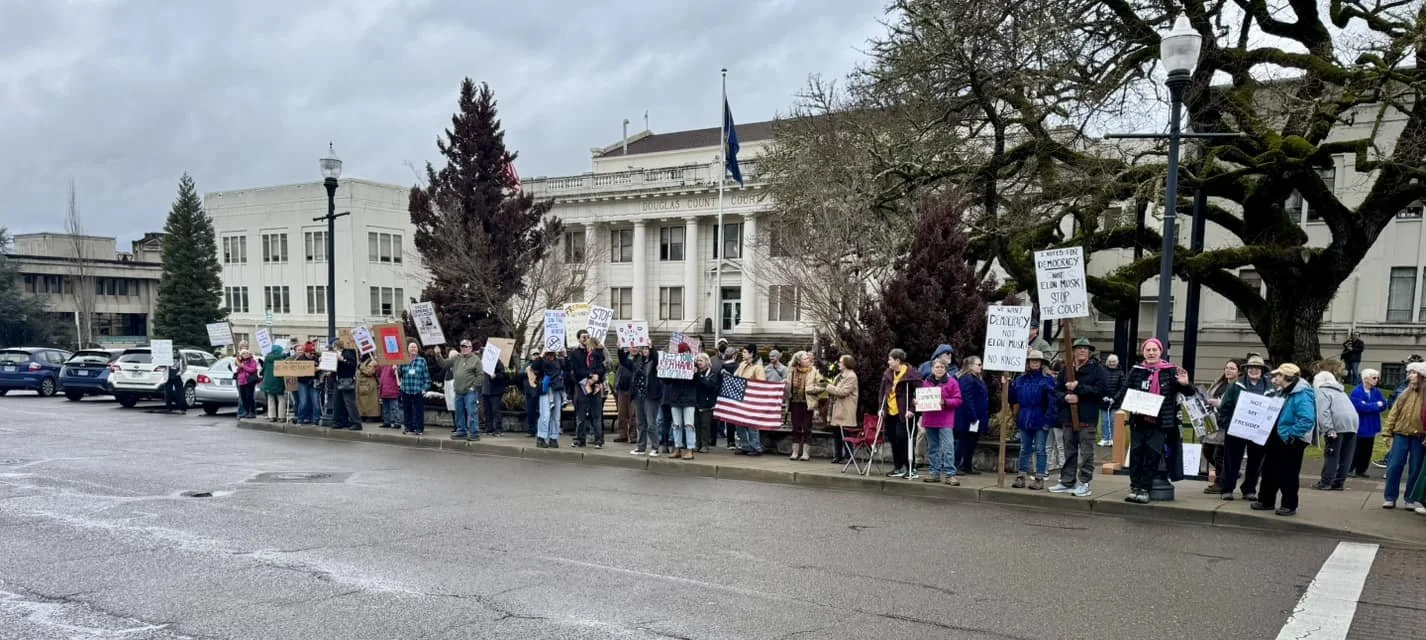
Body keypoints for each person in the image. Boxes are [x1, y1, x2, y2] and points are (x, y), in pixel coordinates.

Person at [1116, 338, 1193, 505]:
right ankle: (1134, 487)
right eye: (1148, 350)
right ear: (1143, 352)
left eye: (1154, 350)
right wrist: (1117, 404)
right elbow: (1125, 390)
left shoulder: (1170, 371)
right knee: (1136, 455)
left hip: (1159, 423)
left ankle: (1144, 489)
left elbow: (1188, 393)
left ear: (1160, 351)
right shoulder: (1136, 370)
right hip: (1139, 420)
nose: (1151, 353)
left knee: (1152, 456)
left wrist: (1185, 384)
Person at [1252, 364, 1316, 516]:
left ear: (1287, 377)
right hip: (1278, 436)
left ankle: (1289, 504)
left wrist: (1291, 435)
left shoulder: (1302, 394)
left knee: (1288, 472)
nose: (1275, 379)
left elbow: (1307, 419)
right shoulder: (1284, 392)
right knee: (1269, 469)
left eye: (1279, 376)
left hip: (1290, 438)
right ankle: (1266, 500)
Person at [1051, 337, 1107, 497]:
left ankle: (1084, 482)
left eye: (1085, 348)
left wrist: (1079, 390)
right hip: (1068, 417)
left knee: (1086, 452)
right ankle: (1067, 481)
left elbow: (1101, 390)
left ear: (1089, 352)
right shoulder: (1067, 370)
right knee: (1069, 450)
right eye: (1079, 348)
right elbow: (1057, 391)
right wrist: (1065, 398)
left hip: (1087, 417)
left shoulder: (1097, 369)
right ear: (1073, 351)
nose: (1082, 350)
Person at [1215, 355, 1271, 501]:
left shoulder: (1270, 388)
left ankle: (1249, 489)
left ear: (1262, 370)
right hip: (1236, 428)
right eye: (1251, 368)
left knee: (1256, 461)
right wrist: (1226, 424)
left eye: (1257, 368)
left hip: (1259, 431)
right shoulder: (1236, 385)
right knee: (1232, 460)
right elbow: (1226, 405)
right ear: (1246, 370)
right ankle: (1227, 489)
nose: (1254, 370)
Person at [1380, 362, 1426, 509]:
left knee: (1415, 468)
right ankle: (1390, 497)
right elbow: (1394, 413)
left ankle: (1410, 498)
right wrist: (1387, 432)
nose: (1410, 375)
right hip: (1401, 434)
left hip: (1419, 436)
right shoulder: (1405, 393)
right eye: (1409, 372)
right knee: (1394, 466)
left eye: (1413, 372)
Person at [1010, 350, 1056, 490]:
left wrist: (1048, 420)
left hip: (1040, 417)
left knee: (1041, 449)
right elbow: (1012, 399)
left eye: (1037, 361)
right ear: (1028, 363)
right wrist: (1008, 385)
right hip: (1024, 416)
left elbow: (1053, 402)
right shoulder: (1020, 380)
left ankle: (1040, 477)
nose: (1035, 363)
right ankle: (1021, 476)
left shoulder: (1047, 380)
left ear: (1041, 363)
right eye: (1032, 361)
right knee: (1024, 448)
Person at [879, 349, 923, 479]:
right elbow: (882, 392)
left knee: (903, 439)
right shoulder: (888, 373)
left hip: (904, 413)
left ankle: (911, 467)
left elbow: (919, 393)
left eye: (890, 359)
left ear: (897, 361)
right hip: (890, 411)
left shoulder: (911, 374)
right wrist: (881, 407)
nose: (888, 362)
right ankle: (898, 467)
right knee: (893, 439)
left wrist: (912, 410)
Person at [1312, 370, 1359, 491]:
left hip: (1337, 424)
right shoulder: (1341, 391)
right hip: (1352, 424)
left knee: (1332, 454)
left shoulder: (1322, 391)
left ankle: (1326, 481)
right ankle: (1339, 482)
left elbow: (1323, 412)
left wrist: (1328, 429)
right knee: (1346, 455)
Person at [918, 360, 964, 484]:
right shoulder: (926, 382)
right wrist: (916, 402)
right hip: (930, 419)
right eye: (937, 367)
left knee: (948, 447)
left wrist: (945, 402)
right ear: (932, 369)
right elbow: (921, 398)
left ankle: (950, 474)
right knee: (933, 448)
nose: (939, 369)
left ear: (946, 369)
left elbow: (958, 400)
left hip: (945, 419)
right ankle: (935, 473)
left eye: (942, 367)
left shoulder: (952, 382)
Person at [1202, 359, 1242, 494]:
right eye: (1226, 368)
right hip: (1214, 421)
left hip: (1227, 424)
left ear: (1239, 371)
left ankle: (1221, 481)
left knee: (1220, 454)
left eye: (1232, 368)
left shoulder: (1239, 386)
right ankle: (1229, 473)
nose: (1228, 371)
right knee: (1207, 451)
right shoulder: (1220, 384)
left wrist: (1220, 404)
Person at [568, 332, 608, 448]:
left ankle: (598, 440)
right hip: (582, 386)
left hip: (595, 386)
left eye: (587, 337)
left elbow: (602, 368)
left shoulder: (596, 353)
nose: (586, 339)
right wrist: (590, 375)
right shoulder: (575, 353)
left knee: (596, 414)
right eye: (583, 337)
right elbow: (575, 370)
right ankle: (580, 439)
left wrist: (597, 376)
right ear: (579, 339)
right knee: (581, 415)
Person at [443, 339, 487, 441]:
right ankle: (461, 431)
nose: (464, 348)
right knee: (459, 412)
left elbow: (480, 375)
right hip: (458, 391)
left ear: (471, 348)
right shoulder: (457, 358)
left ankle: (474, 433)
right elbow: (444, 364)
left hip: (470, 391)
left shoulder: (476, 360)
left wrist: (474, 386)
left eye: (466, 346)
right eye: (462, 346)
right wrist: (438, 355)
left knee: (472, 412)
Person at [953, 356, 989, 475]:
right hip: (968, 416)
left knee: (972, 441)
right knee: (963, 441)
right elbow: (967, 399)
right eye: (978, 364)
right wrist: (973, 416)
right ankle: (955, 465)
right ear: (970, 366)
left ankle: (967, 465)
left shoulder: (977, 378)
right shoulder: (967, 379)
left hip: (976, 415)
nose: (981, 367)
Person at [786, 351, 824, 461]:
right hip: (795, 403)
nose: (808, 359)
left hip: (808, 403)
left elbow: (822, 385)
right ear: (799, 361)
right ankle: (795, 451)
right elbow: (788, 389)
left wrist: (811, 389)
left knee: (807, 428)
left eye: (808, 358)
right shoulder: (792, 371)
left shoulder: (814, 371)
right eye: (805, 358)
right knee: (795, 428)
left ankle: (806, 453)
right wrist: (786, 386)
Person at [625, 345, 663, 456]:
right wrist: (619, 349)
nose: (645, 351)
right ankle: (641, 446)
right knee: (640, 422)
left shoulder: (654, 362)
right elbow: (625, 362)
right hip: (639, 395)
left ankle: (655, 447)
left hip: (651, 395)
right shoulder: (638, 362)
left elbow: (655, 357)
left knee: (651, 422)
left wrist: (652, 347)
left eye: (647, 349)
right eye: (644, 349)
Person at [1349, 369, 1387, 477]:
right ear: (1365, 379)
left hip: (1372, 425)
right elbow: (1360, 407)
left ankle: (1361, 470)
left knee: (1367, 450)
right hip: (1360, 425)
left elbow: (1384, 405)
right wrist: (1375, 405)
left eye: (1377, 378)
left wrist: (1369, 405)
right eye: (1374, 378)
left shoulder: (1376, 391)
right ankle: (1350, 468)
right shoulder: (1357, 391)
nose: (1376, 380)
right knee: (1356, 448)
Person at [662, 353, 698, 459]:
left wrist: (695, 373)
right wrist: (661, 370)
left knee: (689, 425)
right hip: (675, 399)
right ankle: (677, 447)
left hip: (689, 399)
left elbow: (697, 382)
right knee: (676, 425)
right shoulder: (674, 363)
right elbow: (666, 381)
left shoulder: (692, 364)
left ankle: (690, 449)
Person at [733, 345, 767, 456]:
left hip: (752, 398)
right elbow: (736, 376)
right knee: (739, 422)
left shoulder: (758, 367)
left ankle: (756, 446)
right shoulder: (742, 365)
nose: (743, 354)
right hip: (741, 397)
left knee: (752, 424)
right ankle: (745, 445)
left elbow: (761, 383)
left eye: (745, 352)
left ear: (751, 353)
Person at [825, 355, 860, 465]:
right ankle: (838, 455)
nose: (838, 363)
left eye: (840, 362)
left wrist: (829, 387)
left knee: (846, 433)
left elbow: (843, 392)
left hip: (846, 409)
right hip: (838, 409)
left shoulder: (851, 376)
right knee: (837, 434)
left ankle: (848, 456)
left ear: (846, 364)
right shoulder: (840, 376)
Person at [533, 349, 567, 448]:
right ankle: (541, 437)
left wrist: (565, 355)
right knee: (545, 414)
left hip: (557, 388)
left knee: (556, 416)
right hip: (546, 389)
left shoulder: (559, 360)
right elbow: (534, 366)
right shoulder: (542, 360)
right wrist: (542, 354)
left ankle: (553, 437)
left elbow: (568, 367)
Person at [398, 342, 430, 435]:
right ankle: (408, 427)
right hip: (406, 389)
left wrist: (425, 388)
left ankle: (419, 428)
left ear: (417, 349)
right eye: (411, 347)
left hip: (418, 389)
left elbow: (426, 376)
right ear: (408, 349)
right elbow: (400, 374)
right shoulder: (404, 360)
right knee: (407, 409)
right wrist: (396, 368)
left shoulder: (422, 361)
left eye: (415, 347)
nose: (413, 349)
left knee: (419, 410)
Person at [693, 353, 722, 454]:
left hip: (707, 403)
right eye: (698, 360)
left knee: (705, 425)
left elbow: (710, 385)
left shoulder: (713, 373)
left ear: (707, 362)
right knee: (696, 424)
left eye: (701, 360)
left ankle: (705, 445)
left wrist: (699, 376)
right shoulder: (694, 374)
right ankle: (697, 444)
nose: (699, 363)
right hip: (696, 401)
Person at [614, 346, 639, 444]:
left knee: (633, 414)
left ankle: (633, 435)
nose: (634, 349)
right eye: (632, 347)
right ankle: (622, 434)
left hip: (633, 391)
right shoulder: (624, 358)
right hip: (622, 389)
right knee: (621, 413)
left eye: (636, 347)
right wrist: (620, 348)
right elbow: (621, 358)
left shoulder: (640, 359)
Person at [1099, 354, 1123, 447]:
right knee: (1105, 421)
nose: (1112, 363)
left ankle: (1113, 439)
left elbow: (1122, 388)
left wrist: (1115, 398)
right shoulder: (1102, 371)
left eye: (1114, 362)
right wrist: (1103, 396)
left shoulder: (1120, 373)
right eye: (1110, 362)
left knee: (1113, 421)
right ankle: (1105, 438)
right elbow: (1100, 384)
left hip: (1115, 401)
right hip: (1104, 400)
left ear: (1117, 363)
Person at [481, 357, 509, 437]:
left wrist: (495, 375)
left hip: (494, 391)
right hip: (486, 390)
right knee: (487, 410)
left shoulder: (497, 362)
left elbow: (503, 374)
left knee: (495, 410)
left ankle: (498, 429)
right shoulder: (483, 362)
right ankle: (489, 428)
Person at [294, 343, 321, 424]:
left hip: (313, 382)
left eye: (313, 353)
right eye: (310, 353)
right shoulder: (300, 359)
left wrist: (318, 370)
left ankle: (316, 419)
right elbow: (296, 371)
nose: (312, 355)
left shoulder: (316, 359)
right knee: (303, 402)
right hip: (302, 382)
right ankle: (300, 418)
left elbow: (320, 369)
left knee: (316, 402)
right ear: (305, 352)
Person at [261, 344, 288, 422]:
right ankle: (281, 416)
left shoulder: (267, 358)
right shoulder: (282, 358)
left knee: (270, 399)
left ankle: (272, 416)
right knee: (281, 399)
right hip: (278, 380)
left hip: (268, 381)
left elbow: (263, 369)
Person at [235, 349, 260, 419]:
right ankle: (246, 411)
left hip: (249, 381)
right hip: (242, 382)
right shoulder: (241, 362)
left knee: (249, 397)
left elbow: (252, 369)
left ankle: (252, 412)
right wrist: (239, 366)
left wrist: (243, 366)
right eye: (243, 353)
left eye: (246, 353)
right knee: (243, 398)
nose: (245, 354)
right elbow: (238, 371)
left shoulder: (253, 361)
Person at [377, 361, 402, 429]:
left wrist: (395, 368)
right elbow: (378, 374)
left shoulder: (394, 364)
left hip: (392, 390)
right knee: (385, 408)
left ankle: (397, 422)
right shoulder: (383, 365)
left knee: (394, 407)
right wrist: (379, 365)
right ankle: (387, 421)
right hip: (384, 389)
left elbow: (397, 374)